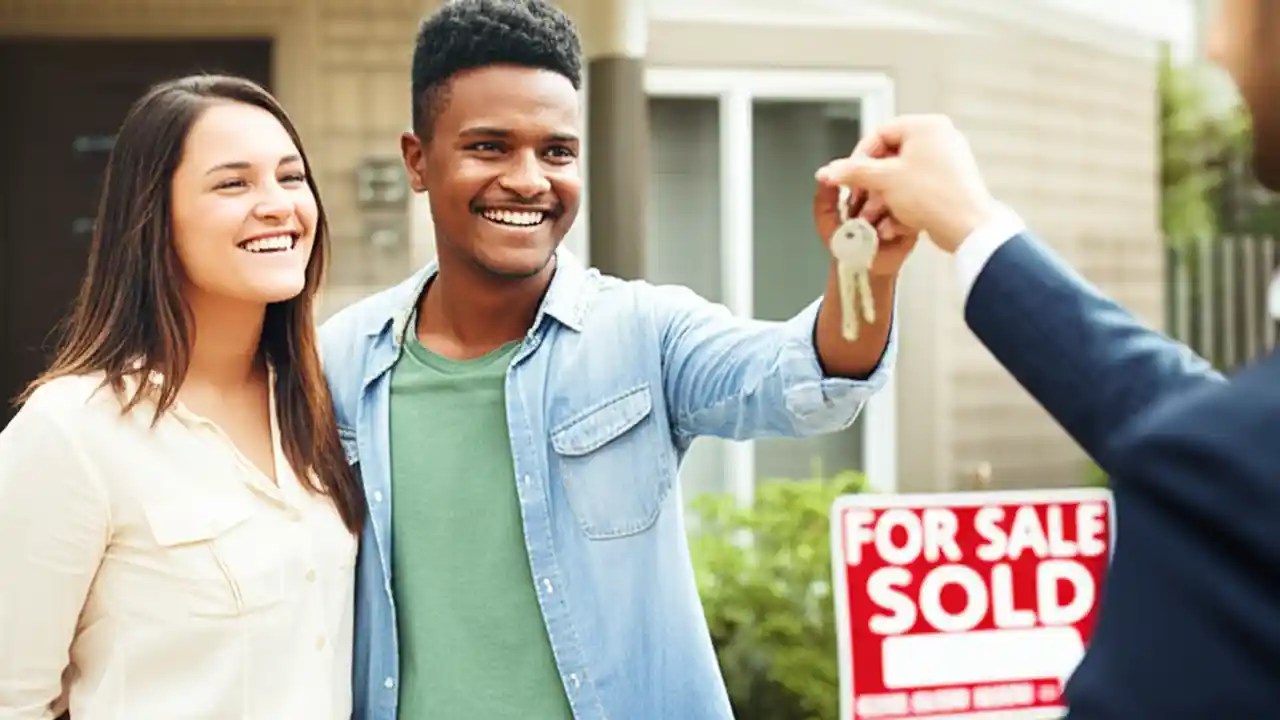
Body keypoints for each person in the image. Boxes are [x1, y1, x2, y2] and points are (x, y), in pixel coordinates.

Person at [317, 0, 913, 717]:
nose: (529, 179)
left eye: (557, 152)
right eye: (490, 147)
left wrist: (867, 269)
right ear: (418, 160)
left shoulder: (643, 333)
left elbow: (807, 378)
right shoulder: (342, 360)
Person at [816, 0, 1280, 716]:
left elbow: (1229, 468)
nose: (1217, 48)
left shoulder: (1216, 480)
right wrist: (974, 227)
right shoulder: (1225, 463)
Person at [0, 75, 365, 719]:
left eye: (291, 177)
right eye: (233, 184)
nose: (278, 205)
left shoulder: (322, 406)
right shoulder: (72, 431)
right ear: (152, 219)